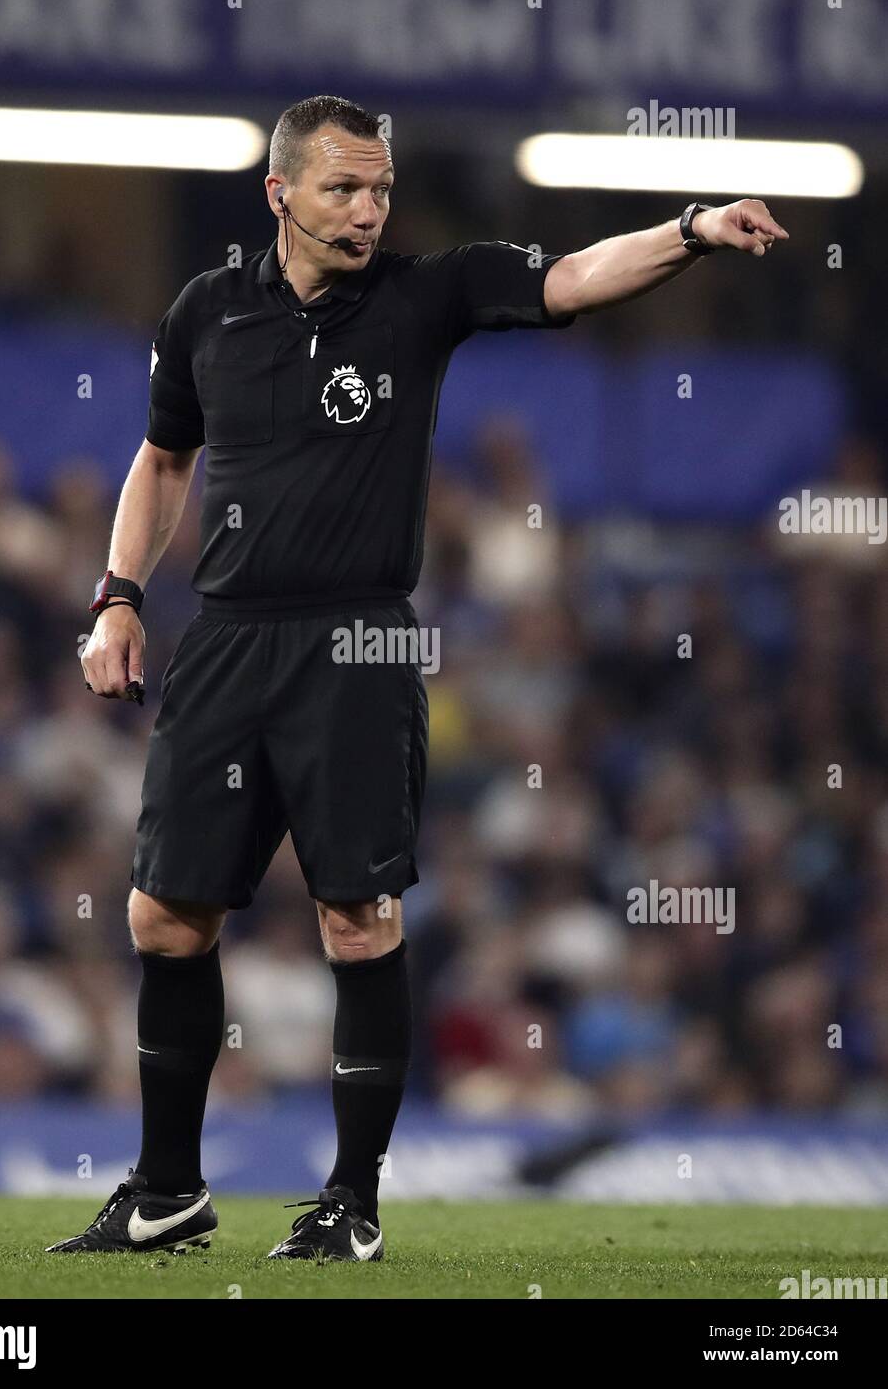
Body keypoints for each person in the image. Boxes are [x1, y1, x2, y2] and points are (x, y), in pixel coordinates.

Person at [49, 94, 787, 1260]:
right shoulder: (206, 312)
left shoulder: (420, 296)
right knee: (162, 915)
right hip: (229, 640)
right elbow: (160, 459)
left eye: (381, 188)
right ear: (279, 194)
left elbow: (574, 276)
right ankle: (167, 1190)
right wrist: (119, 594)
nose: (368, 208)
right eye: (344, 188)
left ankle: (351, 1204)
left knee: (356, 917)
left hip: (358, 642)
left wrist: (688, 227)